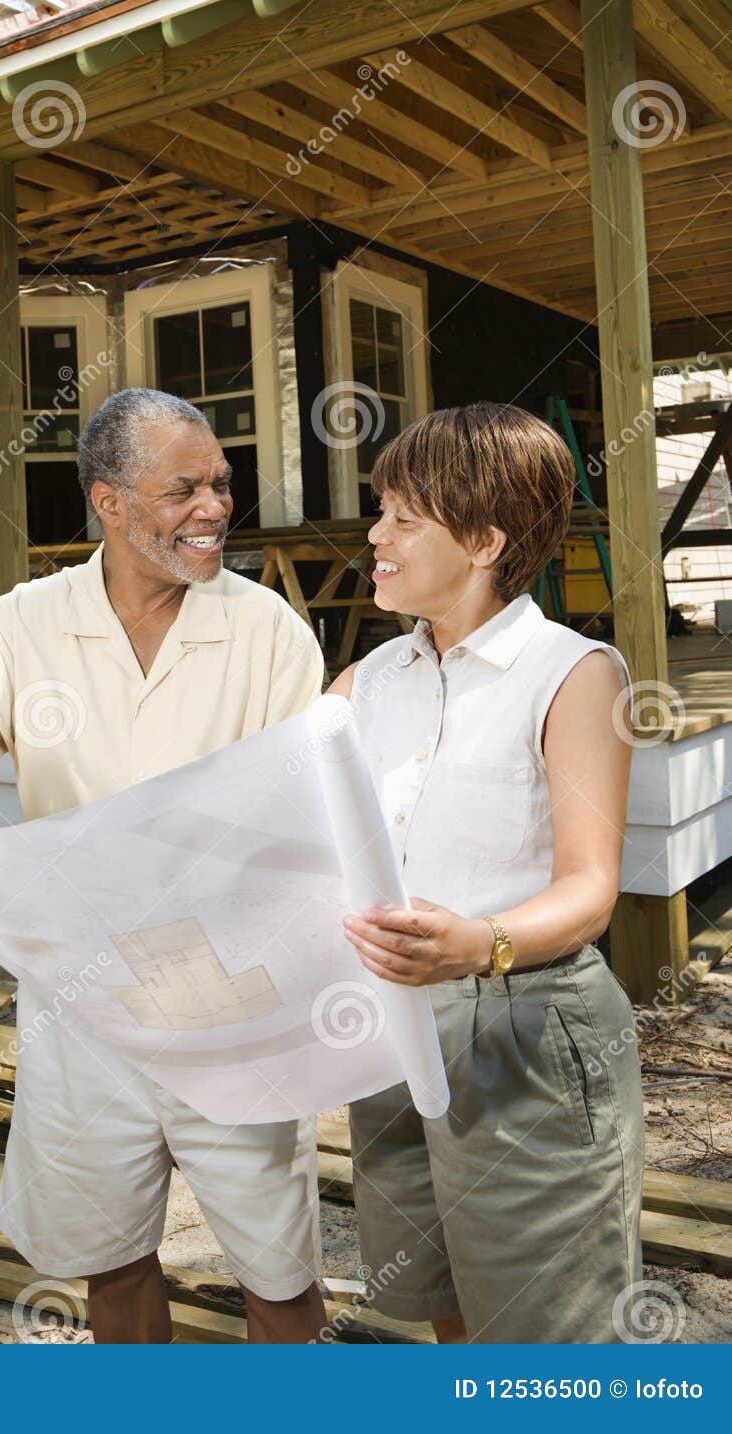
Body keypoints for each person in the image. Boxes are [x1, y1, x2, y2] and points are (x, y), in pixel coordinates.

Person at [0, 387, 327, 1344]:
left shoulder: (269, 632)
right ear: (110, 503)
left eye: (221, 485)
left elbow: (297, 815)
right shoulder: (23, 624)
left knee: (277, 1275)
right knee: (110, 1259)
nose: (214, 509)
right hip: (80, 999)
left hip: (233, 1001)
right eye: (184, 490)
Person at [328, 401, 644, 1345]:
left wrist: (480, 942)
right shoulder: (366, 679)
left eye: (401, 518)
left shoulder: (574, 672)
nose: (374, 536)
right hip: (394, 1025)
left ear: (482, 540)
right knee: (444, 1296)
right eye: (379, 510)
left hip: (528, 1032)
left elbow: (591, 890)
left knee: (546, 1328)